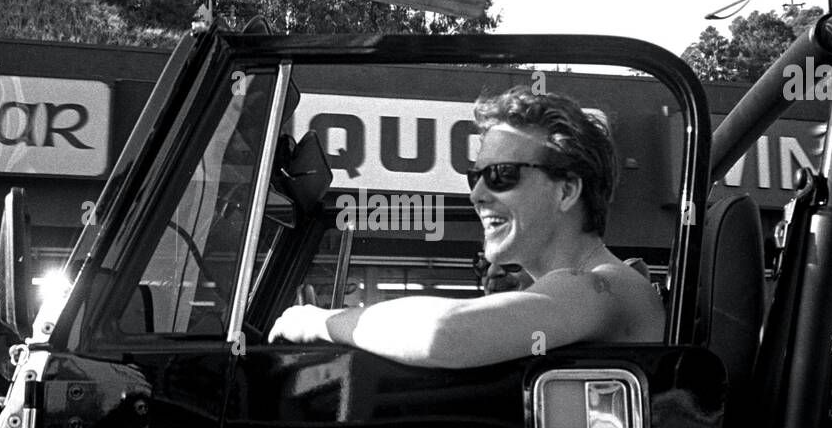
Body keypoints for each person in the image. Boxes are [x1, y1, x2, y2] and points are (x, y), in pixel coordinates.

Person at [268, 86, 665, 366]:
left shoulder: (601, 285)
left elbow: (445, 334)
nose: (477, 195)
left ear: (567, 191)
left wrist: (318, 321)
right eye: (473, 176)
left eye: (501, 175)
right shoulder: (582, 291)